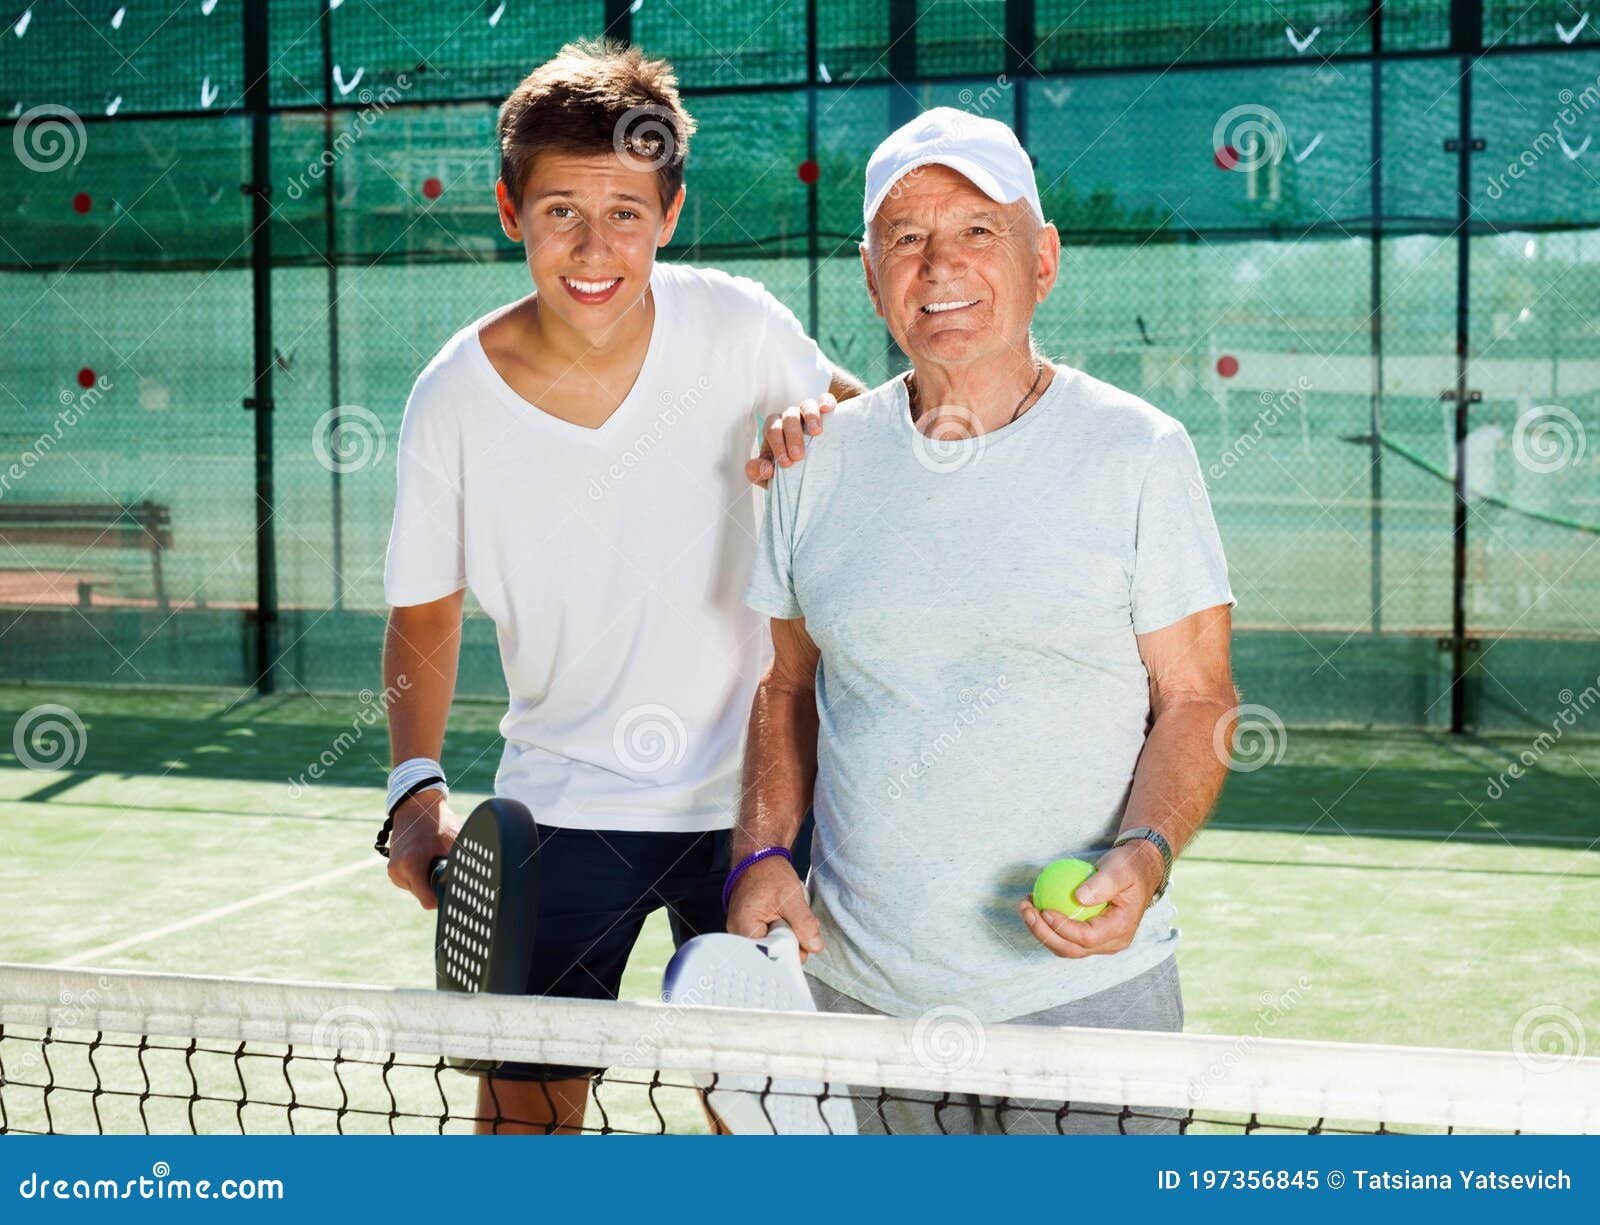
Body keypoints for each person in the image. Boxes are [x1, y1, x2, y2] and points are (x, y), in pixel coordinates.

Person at [379, 39, 862, 1134]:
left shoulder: (740, 328)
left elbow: (878, 434)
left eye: (626, 215)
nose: (594, 248)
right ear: (509, 210)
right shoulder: (449, 397)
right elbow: (423, 611)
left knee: (773, 1124)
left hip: (759, 814)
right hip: (558, 817)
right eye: (560, 214)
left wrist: (823, 421)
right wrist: (415, 784)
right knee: (522, 1134)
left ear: (670, 214)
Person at [726, 108, 1239, 1134]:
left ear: (1040, 259)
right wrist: (760, 854)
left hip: (1086, 1010)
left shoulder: (1139, 451)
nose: (938, 264)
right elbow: (785, 688)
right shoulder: (807, 464)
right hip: (856, 1005)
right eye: (906, 238)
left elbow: (1196, 698)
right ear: (870, 275)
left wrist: (1141, 854)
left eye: (976, 231)